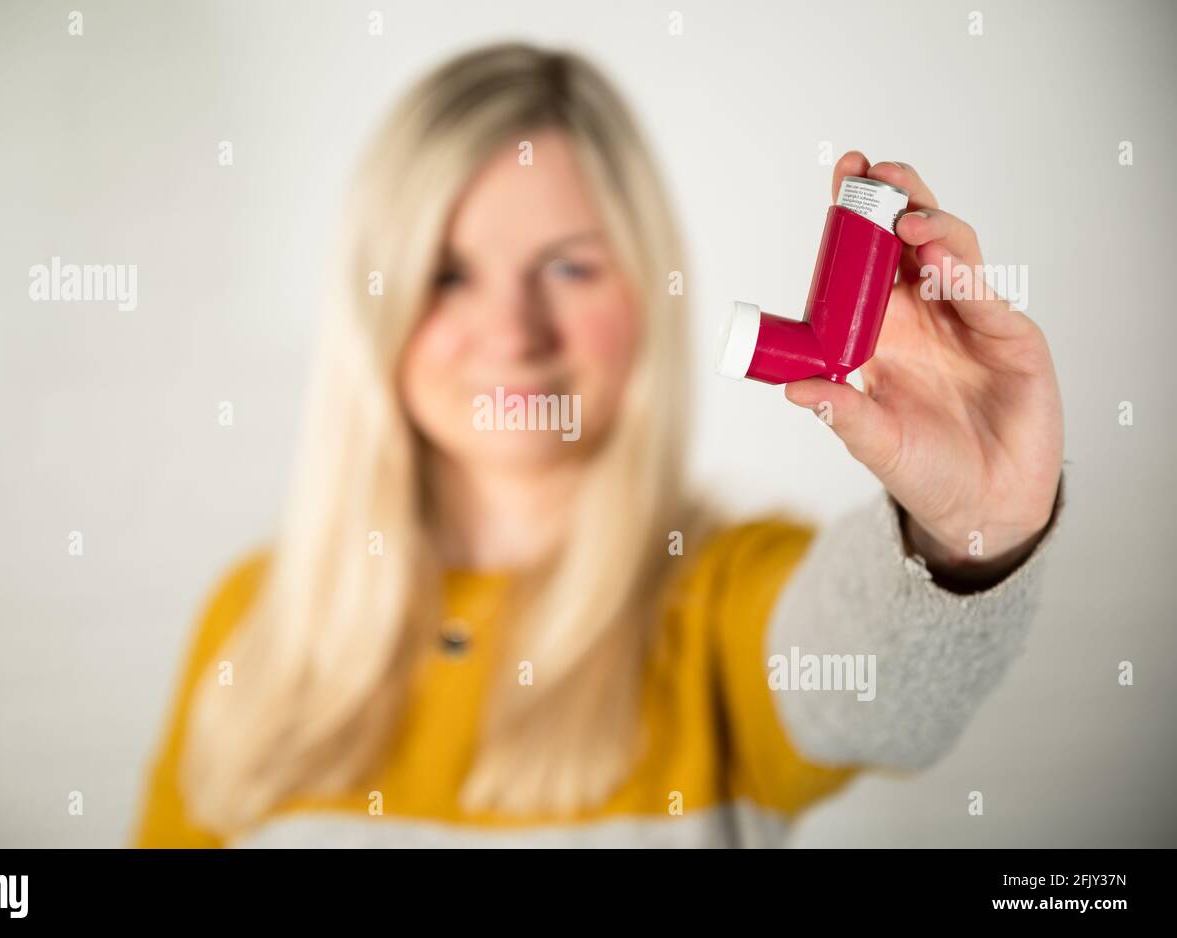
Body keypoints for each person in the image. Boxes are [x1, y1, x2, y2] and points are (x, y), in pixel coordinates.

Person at [133, 42, 1065, 847]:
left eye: (569, 266)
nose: (513, 331)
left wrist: (969, 530)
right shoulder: (252, 623)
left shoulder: (720, 604)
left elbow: (887, 687)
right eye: (449, 272)